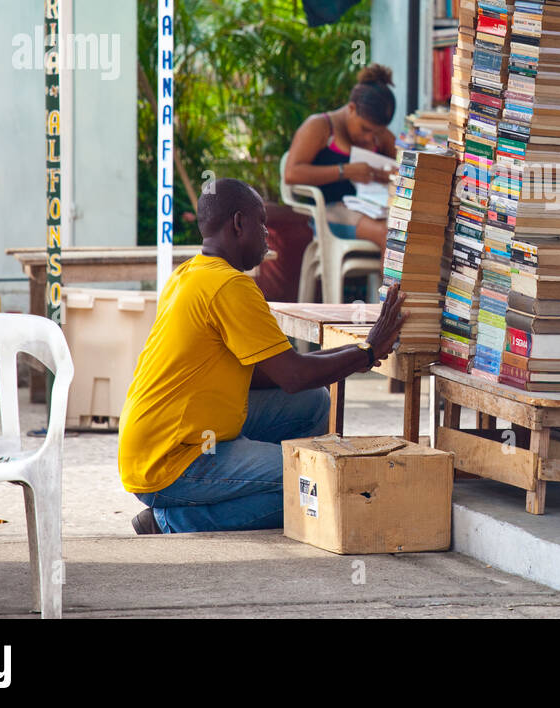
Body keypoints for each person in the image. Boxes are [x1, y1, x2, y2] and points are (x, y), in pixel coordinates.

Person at [118, 177, 408, 534]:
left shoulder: (189, 273)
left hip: (170, 438)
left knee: (313, 403)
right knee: (309, 482)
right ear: (238, 223)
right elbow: (293, 374)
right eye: (261, 223)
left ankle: (250, 479)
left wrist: (359, 351)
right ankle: (173, 519)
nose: (267, 234)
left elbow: (272, 374)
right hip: (171, 460)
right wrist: (367, 353)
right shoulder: (231, 286)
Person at [283, 63, 398, 251]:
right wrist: (344, 171)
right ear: (351, 108)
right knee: (390, 234)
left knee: (407, 231)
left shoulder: (381, 136)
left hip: (373, 210)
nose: (370, 137)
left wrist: (390, 175)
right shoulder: (320, 127)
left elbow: (405, 171)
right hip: (327, 213)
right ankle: (390, 282)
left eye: (377, 132)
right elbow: (291, 174)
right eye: (365, 129)